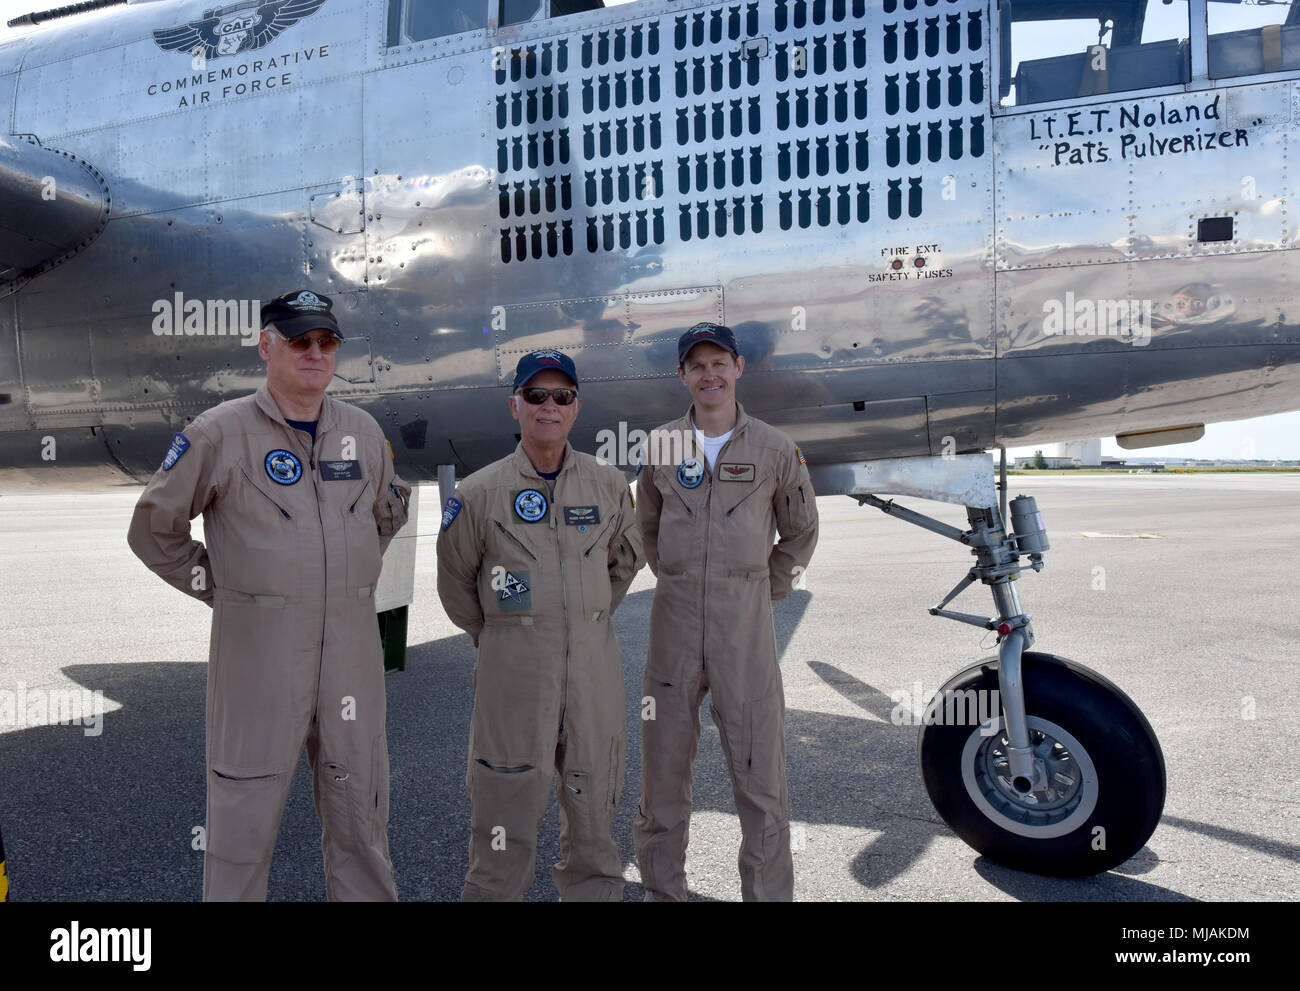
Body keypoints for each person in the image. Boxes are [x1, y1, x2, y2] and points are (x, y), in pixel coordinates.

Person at [127, 289, 410, 901]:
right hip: (259, 660)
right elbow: (154, 529)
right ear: (266, 346)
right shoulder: (220, 432)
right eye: (299, 339)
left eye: (326, 341)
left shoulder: (362, 433)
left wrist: (339, 581)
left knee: (360, 815)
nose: (315, 352)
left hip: (352, 662)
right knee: (241, 824)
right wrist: (224, 589)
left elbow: (385, 516)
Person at [436, 349, 643, 901]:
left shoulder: (607, 486)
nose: (549, 406)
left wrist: (584, 617)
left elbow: (622, 564)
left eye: (562, 396)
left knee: (596, 833)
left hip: (592, 683)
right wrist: (506, 636)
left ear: (576, 409)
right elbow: (456, 584)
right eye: (536, 395)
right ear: (515, 406)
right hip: (514, 683)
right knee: (502, 834)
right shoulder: (478, 494)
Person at [634, 322, 819, 902]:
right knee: (662, 778)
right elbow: (646, 527)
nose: (709, 374)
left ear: (738, 368)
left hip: (746, 629)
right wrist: (684, 580)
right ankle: (664, 892)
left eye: (719, 363)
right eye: (697, 365)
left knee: (760, 781)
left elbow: (800, 530)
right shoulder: (661, 444)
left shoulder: (775, 447)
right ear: (682, 375)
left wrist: (762, 588)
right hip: (674, 625)